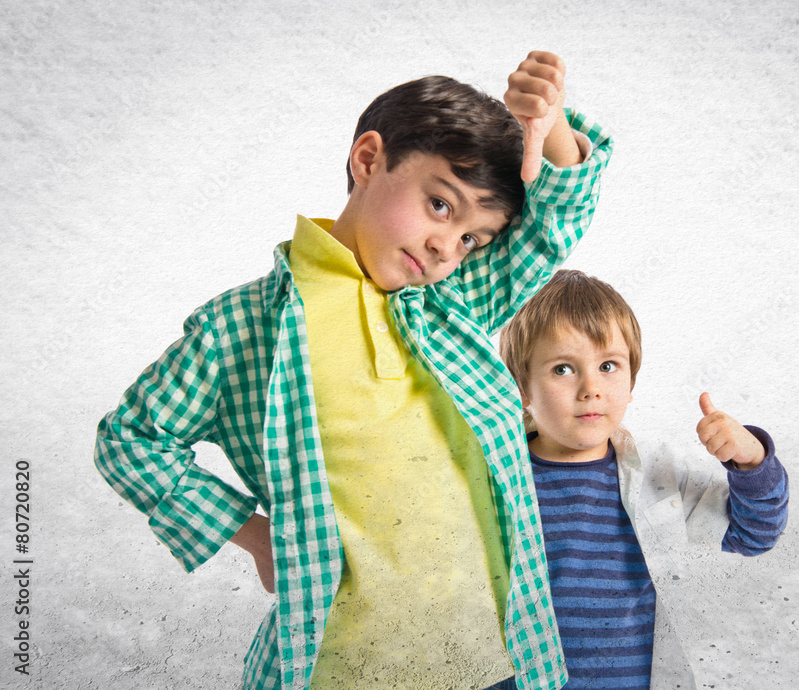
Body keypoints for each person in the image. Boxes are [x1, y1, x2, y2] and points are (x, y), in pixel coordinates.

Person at [93, 52, 612, 690]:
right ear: (368, 159)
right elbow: (132, 439)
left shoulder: (452, 304)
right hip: (339, 667)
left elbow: (554, 221)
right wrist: (254, 535)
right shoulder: (242, 327)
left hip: (495, 663)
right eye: (441, 206)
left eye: (474, 239)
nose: (447, 247)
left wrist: (550, 126)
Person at [498, 270, 789, 689]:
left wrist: (751, 463)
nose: (591, 388)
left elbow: (754, 533)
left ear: (632, 380)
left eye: (608, 366)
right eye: (563, 369)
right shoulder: (493, 480)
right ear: (520, 387)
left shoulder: (657, 477)